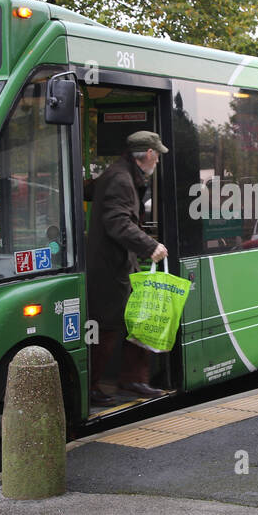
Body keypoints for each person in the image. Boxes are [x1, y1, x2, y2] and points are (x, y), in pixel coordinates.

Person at [86, 130, 169, 406]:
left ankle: (133, 379)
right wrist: (150, 246)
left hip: (119, 266)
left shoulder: (123, 174)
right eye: (157, 156)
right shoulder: (121, 179)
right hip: (109, 269)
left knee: (137, 320)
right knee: (107, 327)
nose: (157, 161)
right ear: (148, 154)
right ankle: (93, 386)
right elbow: (118, 222)